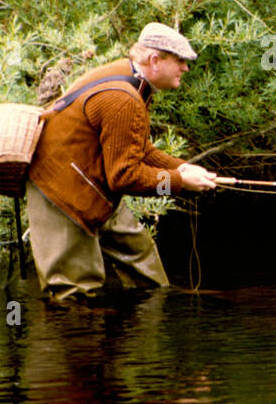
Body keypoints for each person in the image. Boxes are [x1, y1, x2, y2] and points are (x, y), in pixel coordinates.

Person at [24, 23, 217, 301]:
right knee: (73, 294)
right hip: (59, 189)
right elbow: (124, 177)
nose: (185, 68)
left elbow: (136, 147)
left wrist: (180, 167)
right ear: (155, 60)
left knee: (145, 267)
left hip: (92, 186)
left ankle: (143, 329)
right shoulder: (124, 99)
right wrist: (179, 183)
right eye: (180, 61)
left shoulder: (129, 76)